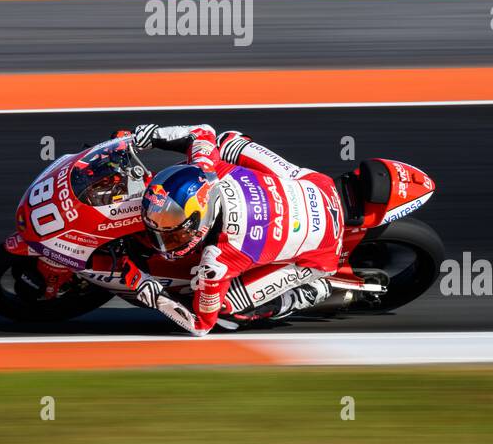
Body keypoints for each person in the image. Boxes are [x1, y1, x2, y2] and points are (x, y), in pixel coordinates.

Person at [115, 123, 345, 336]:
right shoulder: (208, 168)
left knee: (227, 309)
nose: (164, 238)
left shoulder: (218, 262)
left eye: (173, 232)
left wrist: (150, 291)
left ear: (201, 222)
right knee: (227, 141)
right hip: (318, 186)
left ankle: (307, 292)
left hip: (322, 252)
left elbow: (200, 325)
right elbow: (202, 132)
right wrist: (142, 137)